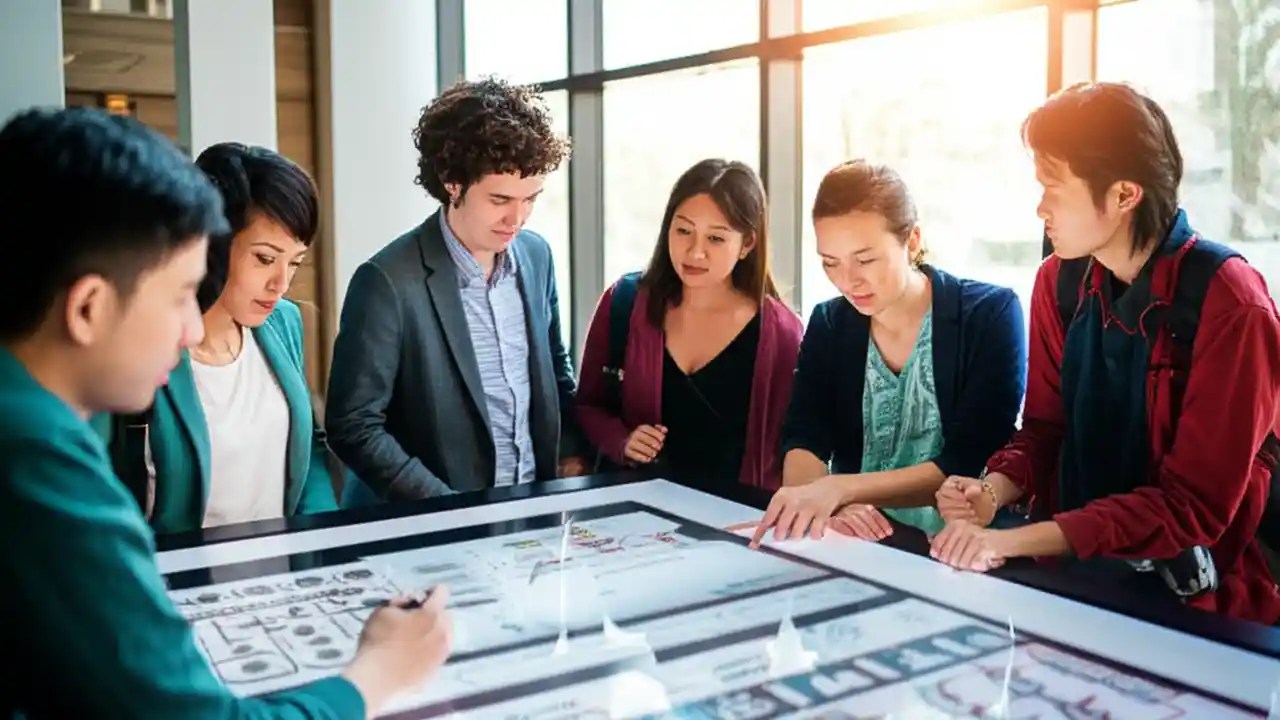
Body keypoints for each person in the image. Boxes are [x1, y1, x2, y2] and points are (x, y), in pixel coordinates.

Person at [0, 107, 450, 717]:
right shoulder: (35, 453)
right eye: (183, 294)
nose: (191, 327)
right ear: (88, 309)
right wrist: (376, 674)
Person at [929, 82, 1280, 625]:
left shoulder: (1231, 302)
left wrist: (1016, 541)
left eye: (1054, 188)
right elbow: (1046, 429)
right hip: (1069, 585)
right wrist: (991, 493)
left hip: (1198, 611)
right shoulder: (1058, 282)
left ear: (1123, 195)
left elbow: (1191, 507)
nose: (1040, 206)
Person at [327, 77, 589, 504]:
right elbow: (353, 425)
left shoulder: (537, 256)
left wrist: (572, 452)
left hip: (530, 514)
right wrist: (447, 507)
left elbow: (555, 370)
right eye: (500, 199)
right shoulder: (387, 281)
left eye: (531, 199)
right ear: (452, 182)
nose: (517, 219)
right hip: (431, 527)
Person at [749, 159, 1026, 543]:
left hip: (968, 544)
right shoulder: (830, 322)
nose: (847, 280)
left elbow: (969, 459)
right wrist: (827, 499)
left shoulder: (990, 314)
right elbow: (803, 437)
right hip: (862, 540)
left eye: (865, 259)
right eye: (830, 263)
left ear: (911, 240)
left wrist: (842, 490)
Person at [95, 142, 339, 533]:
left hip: (283, 575)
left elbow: (310, 449)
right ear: (212, 243)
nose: (280, 283)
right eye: (264, 258)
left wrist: (323, 541)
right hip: (181, 583)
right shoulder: (145, 343)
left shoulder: (283, 322)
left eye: (294, 262)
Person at [575, 159, 803, 489]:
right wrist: (621, 440)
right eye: (683, 231)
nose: (695, 253)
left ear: (747, 244)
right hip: (633, 521)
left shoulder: (783, 335)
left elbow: (799, 445)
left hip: (735, 525)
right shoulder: (623, 302)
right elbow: (587, 406)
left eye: (716, 239)